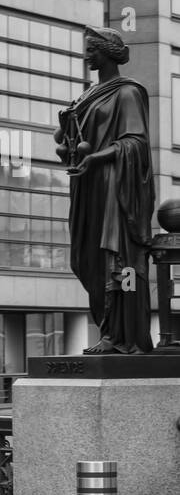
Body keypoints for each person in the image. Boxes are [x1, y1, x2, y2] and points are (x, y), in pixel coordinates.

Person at [55, 25, 155, 354]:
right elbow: (68, 139)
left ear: (107, 52)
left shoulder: (128, 93)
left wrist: (97, 158)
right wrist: (66, 126)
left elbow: (135, 143)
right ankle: (107, 331)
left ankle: (122, 336)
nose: (86, 55)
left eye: (91, 50)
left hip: (116, 189)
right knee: (87, 260)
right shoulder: (85, 96)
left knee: (118, 258)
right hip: (88, 188)